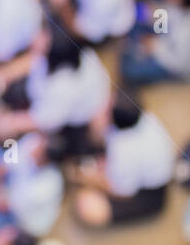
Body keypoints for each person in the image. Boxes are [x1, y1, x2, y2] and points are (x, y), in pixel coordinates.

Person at [74, 97, 177, 226]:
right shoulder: (142, 118)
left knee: (86, 205)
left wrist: (93, 180)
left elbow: (122, 191)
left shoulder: (124, 151)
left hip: (147, 194)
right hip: (139, 171)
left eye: (107, 109)